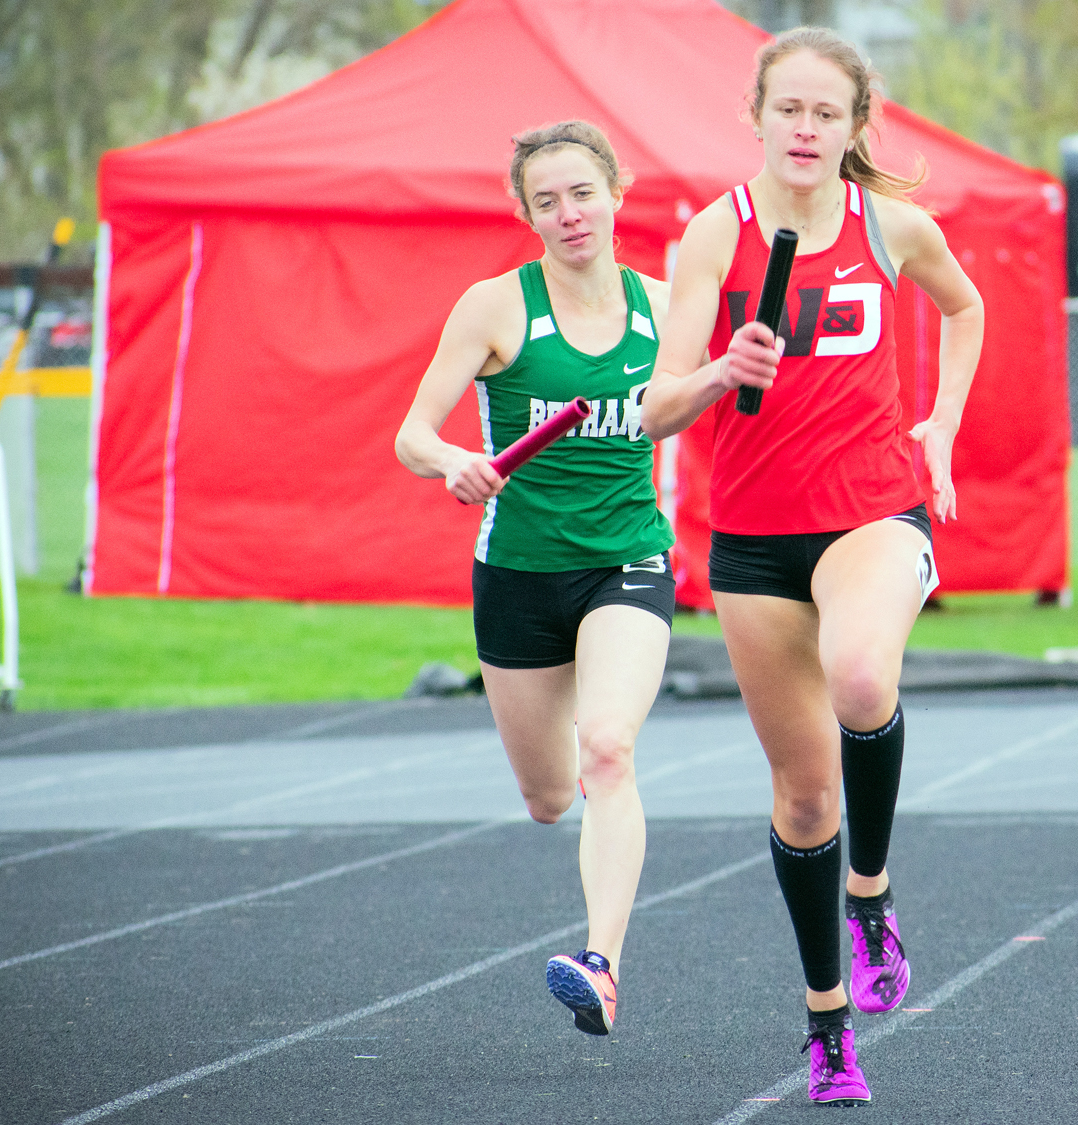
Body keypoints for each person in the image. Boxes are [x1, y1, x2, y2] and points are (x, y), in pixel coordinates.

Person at [642, 26, 983, 1108]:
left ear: (854, 125)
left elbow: (965, 306)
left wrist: (939, 426)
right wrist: (718, 371)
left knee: (862, 679)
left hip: (871, 511)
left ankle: (870, 894)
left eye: (824, 113)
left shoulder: (891, 225)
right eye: (787, 109)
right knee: (801, 798)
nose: (803, 128)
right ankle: (828, 1021)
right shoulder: (715, 233)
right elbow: (654, 406)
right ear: (754, 116)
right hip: (752, 541)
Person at [395, 120, 673, 1040]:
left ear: (617, 194)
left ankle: (602, 964)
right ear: (526, 213)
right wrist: (455, 462)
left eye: (583, 193)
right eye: (547, 201)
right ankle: (571, 782)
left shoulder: (666, 308)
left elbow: (728, 398)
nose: (569, 214)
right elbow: (413, 434)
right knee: (551, 796)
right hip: (517, 573)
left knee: (608, 750)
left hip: (628, 559)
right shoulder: (494, 307)